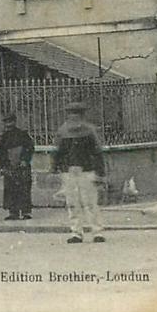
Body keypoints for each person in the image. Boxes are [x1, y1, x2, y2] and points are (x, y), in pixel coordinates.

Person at [51, 101, 106, 244]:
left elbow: (97, 152)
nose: (73, 116)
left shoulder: (89, 130)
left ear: (82, 115)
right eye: (71, 113)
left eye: (76, 113)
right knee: (72, 203)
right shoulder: (62, 131)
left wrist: (99, 172)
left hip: (86, 171)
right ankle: (76, 232)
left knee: (90, 203)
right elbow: (57, 152)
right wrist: (55, 168)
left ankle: (97, 232)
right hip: (69, 172)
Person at [0, 113, 35, 220]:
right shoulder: (4, 137)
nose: (8, 124)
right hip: (10, 166)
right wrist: (2, 166)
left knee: (24, 188)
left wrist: (25, 160)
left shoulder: (22, 134)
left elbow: (30, 148)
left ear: (14, 122)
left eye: (10, 122)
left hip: (22, 166)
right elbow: (1, 153)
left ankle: (26, 212)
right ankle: (13, 212)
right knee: (10, 189)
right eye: (6, 122)